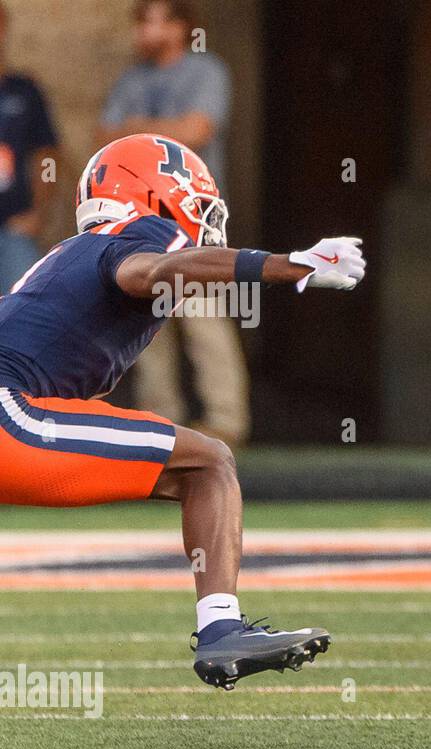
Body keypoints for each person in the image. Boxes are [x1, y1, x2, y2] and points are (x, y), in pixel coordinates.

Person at [0, 133, 365, 688]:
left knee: (195, 462)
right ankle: (221, 632)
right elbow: (149, 272)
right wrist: (291, 265)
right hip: (7, 410)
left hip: (15, 404)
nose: (204, 222)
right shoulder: (143, 232)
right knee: (206, 464)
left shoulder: (74, 256)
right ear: (157, 191)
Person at [97, 0, 248, 447]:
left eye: (159, 19)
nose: (148, 29)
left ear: (183, 26)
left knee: (202, 316)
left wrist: (137, 129)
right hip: (141, 219)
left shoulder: (206, 71)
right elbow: (102, 138)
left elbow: (198, 129)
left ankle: (226, 419)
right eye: (143, 20)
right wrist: (161, 129)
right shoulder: (132, 79)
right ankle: (162, 420)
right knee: (148, 321)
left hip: (192, 216)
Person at [0, 1, 59, 292]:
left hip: (13, 228)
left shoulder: (25, 91)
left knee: (27, 299)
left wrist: (39, 212)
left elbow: (47, 157)